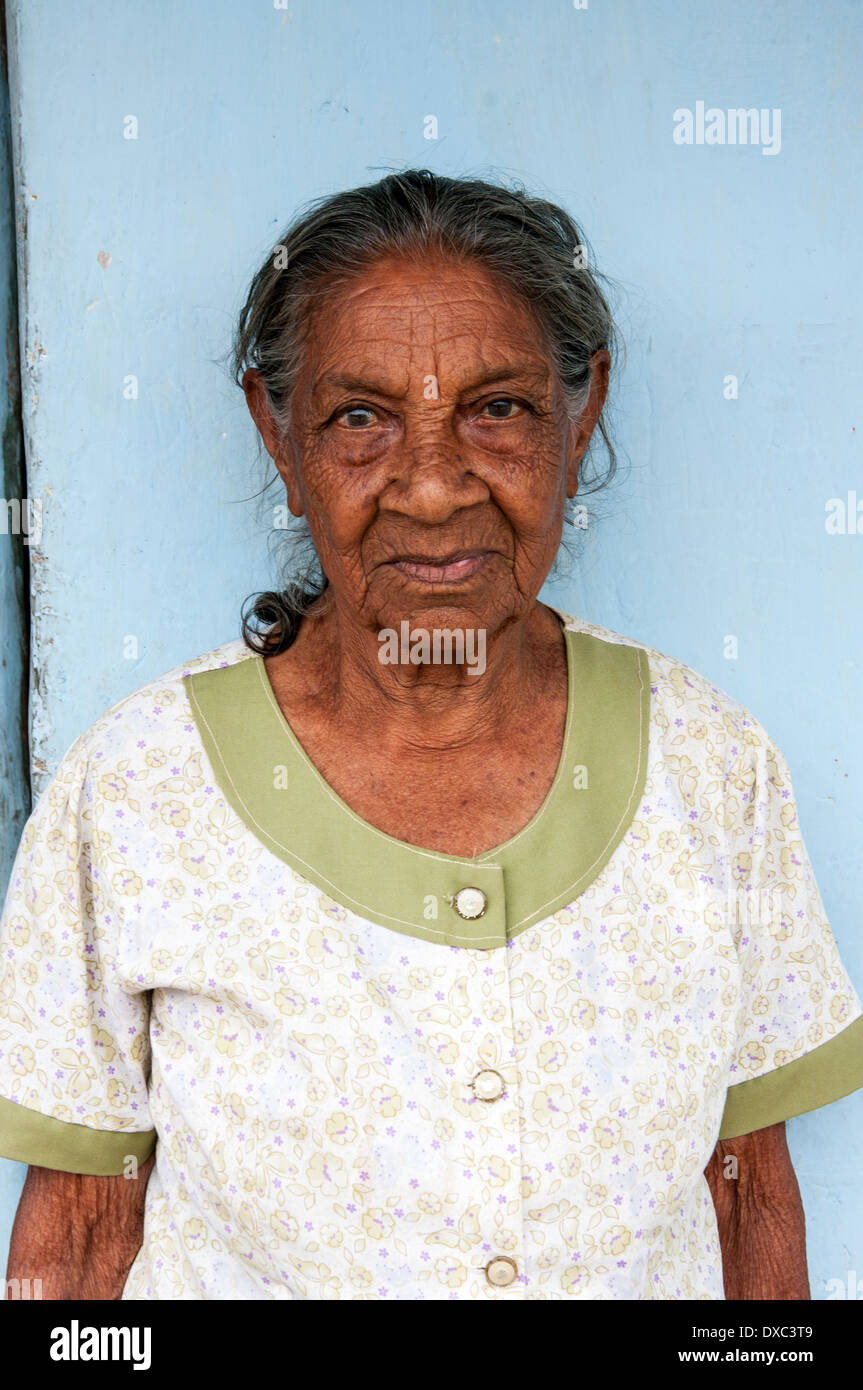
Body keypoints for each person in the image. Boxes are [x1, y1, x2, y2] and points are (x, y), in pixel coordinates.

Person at [2, 170, 862, 1300]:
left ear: (580, 409)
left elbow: (748, 1199)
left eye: (495, 408)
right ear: (278, 433)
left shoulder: (710, 764)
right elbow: (75, 1246)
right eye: (359, 418)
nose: (430, 485)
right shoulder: (138, 788)